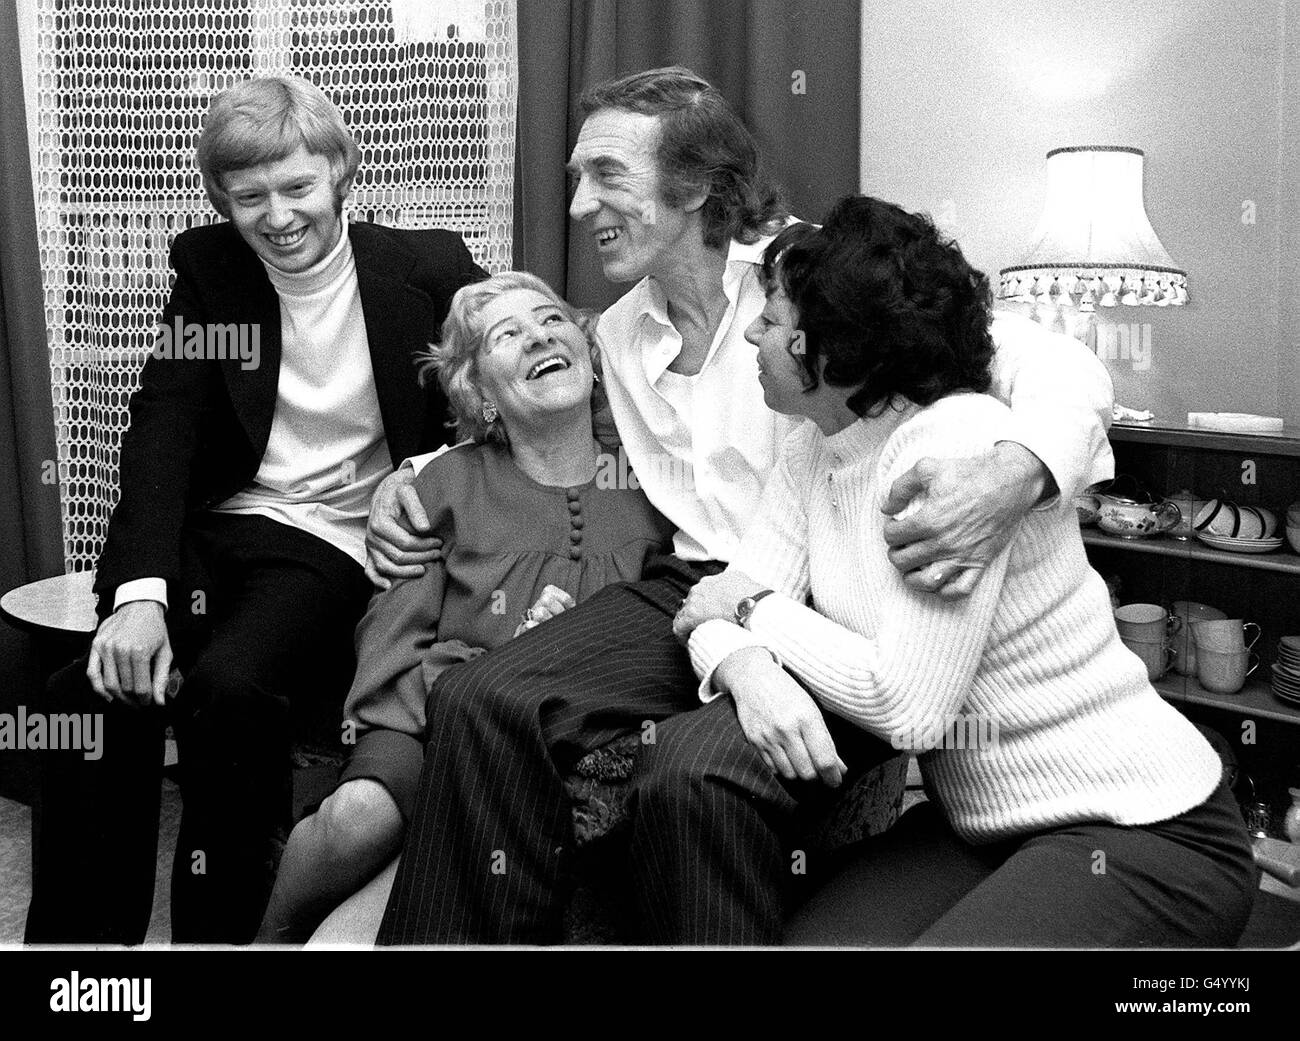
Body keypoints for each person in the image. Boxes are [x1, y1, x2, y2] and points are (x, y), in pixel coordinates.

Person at [371, 67, 1116, 945]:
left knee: (689, 777)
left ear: (692, 185)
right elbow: (529, 417)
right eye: (578, 178)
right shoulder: (615, 332)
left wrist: (1017, 470)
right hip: (697, 586)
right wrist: (411, 474)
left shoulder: (814, 278)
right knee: (476, 699)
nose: (578, 205)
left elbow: (1059, 368)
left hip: (831, 599)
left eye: (606, 175)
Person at [673, 196, 1255, 947]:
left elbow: (905, 707)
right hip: (979, 825)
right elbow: (709, 609)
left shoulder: (952, 451)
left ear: (834, 351)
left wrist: (750, 607)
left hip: (1145, 828)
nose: (750, 331)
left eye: (772, 318)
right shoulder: (811, 449)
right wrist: (744, 659)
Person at [24, 76, 485, 945]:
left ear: (341, 171)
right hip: (226, 524)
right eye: (248, 196)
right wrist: (138, 600)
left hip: (338, 540)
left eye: (298, 186)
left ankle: (222, 938)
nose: (277, 215)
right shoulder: (210, 270)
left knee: (230, 689)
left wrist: (420, 470)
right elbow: (162, 432)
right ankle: (77, 963)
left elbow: (502, 391)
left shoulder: (427, 268)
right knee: (84, 693)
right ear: (221, 200)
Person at [255, 272, 674, 942]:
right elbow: (393, 649)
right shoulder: (441, 485)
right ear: (480, 394)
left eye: (552, 321)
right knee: (359, 814)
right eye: (509, 335)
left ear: (593, 358)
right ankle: (268, 934)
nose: (540, 336)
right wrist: (491, 671)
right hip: (427, 722)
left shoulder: (655, 482)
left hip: (577, 741)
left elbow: (665, 627)